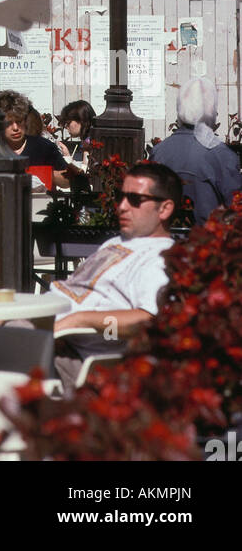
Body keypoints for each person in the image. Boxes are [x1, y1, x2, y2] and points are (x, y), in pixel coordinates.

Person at [52, 162, 182, 390]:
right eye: (121, 197)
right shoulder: (116, 243)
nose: (122, 206)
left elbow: (146, 321)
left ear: (164, 209)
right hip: (45, 332)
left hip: (77, 359)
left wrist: (82, 320)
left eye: (135, 200)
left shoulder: (158, 258)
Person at [151, 77, 242, 224]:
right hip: (207, 241)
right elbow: (236, 208)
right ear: (211, 110)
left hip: (164, 237)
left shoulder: (159, 150)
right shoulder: (222, 154)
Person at [0, 94, 69, 189]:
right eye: (8, 123)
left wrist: (48, 175)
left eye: (19, 121)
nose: (15, 128)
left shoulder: (44, 147)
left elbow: (68, 180)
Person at [56, 100, 96, 166]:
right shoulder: (89, 139)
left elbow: (84, 172)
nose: (65, 126)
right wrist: (67, 155)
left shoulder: (90, 143)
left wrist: (67, 157)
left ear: (81, 120)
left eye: (68, 122)